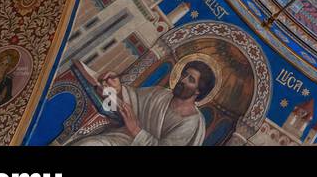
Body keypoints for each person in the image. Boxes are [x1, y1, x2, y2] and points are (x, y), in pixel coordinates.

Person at [70, 61, 214, 146]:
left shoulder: (191, 123)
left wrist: (136, 130)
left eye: (191, 79)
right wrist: (118, 89)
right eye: (184, 75)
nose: (182, 80)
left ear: (198, 92)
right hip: (123, 139)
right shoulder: (160, 94)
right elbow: (132, 100)